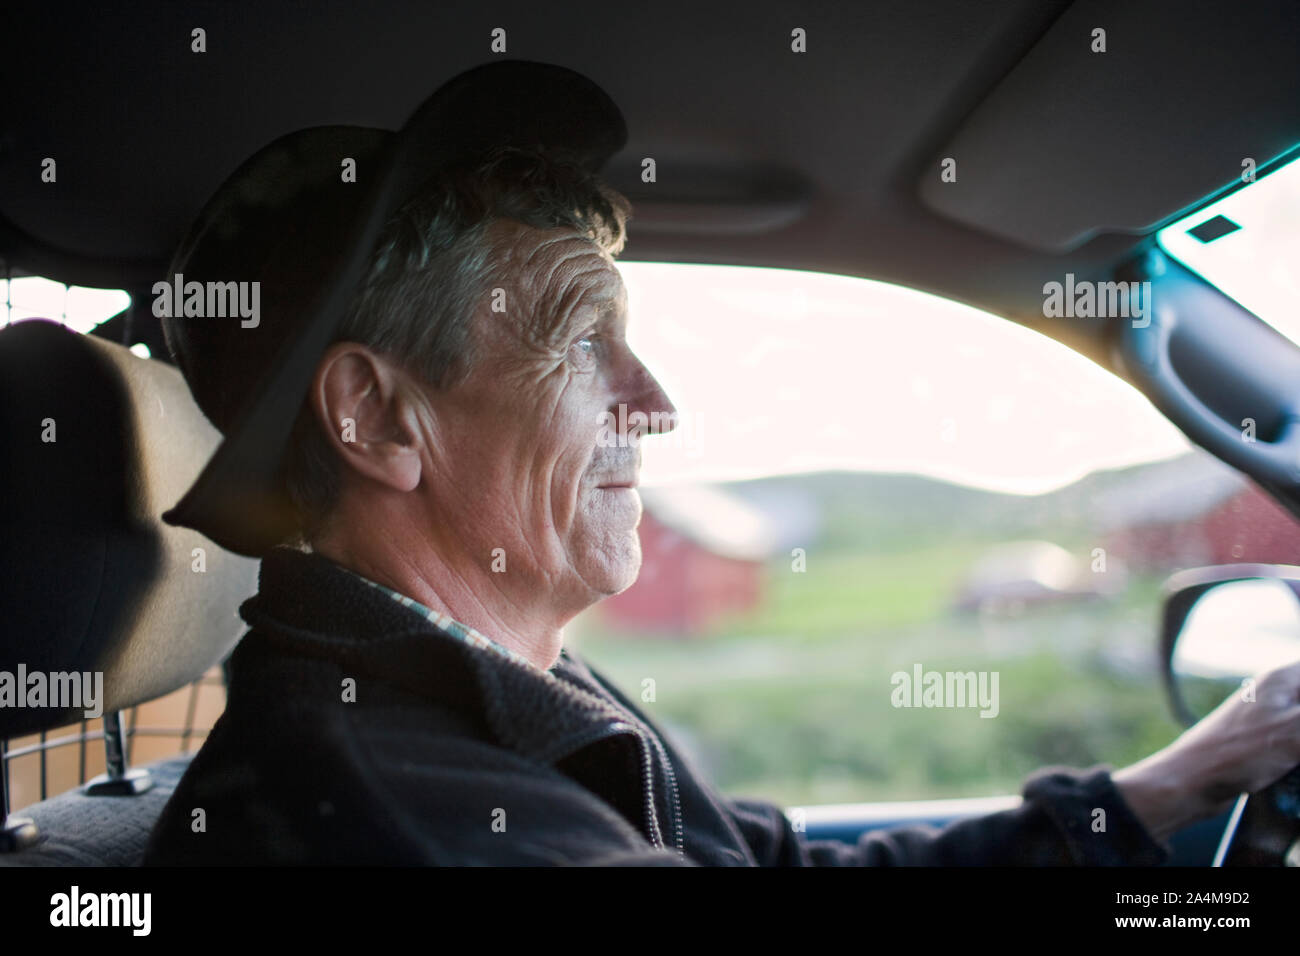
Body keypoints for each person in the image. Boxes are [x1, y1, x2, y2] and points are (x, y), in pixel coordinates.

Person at [144, 62, 1300, 866]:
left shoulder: (485, 689)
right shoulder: (399, 812)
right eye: (578, 340)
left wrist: (1171, 782)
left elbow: (763, 861)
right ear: (380, 420)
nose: (653, 404)